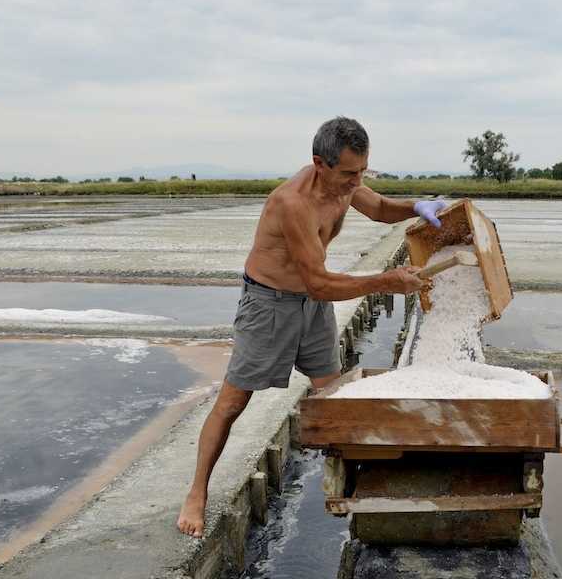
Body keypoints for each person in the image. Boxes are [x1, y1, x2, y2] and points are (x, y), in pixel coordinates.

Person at [177, 116, 446, 537]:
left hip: (311, 305)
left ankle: (355, 478)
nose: (356, 182)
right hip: (269, 305)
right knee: (233, 402)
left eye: (362, 171)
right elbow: (319, 283)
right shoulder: (293, 203)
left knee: (331, 390)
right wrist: (386, 281)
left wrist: (415, 207)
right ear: (319, 163)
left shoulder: (345, 185)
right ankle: (197, 493)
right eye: (348, 174)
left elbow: (376, 207)